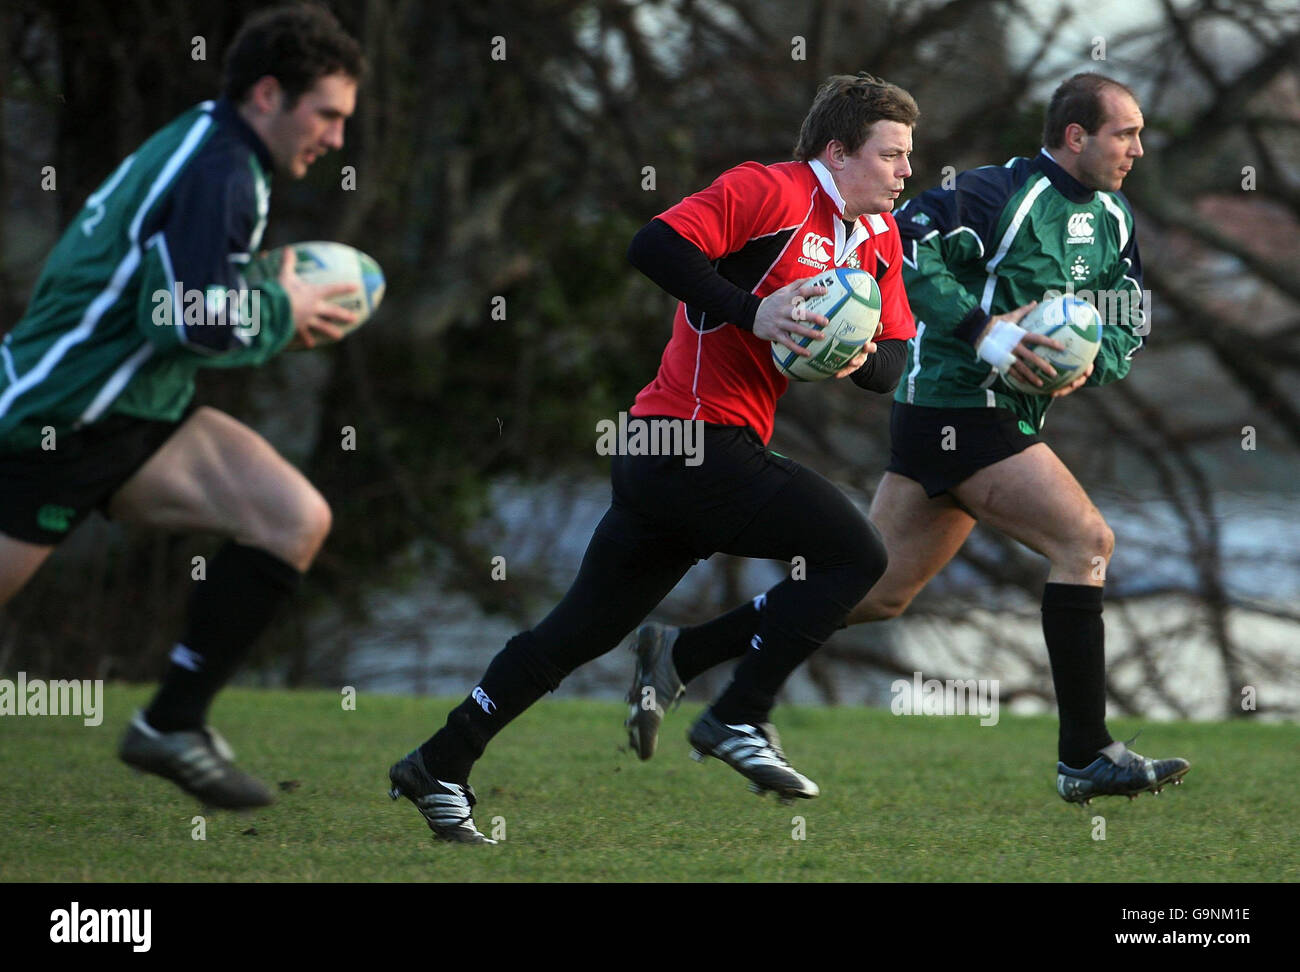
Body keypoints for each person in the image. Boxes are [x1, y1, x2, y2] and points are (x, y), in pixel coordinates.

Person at [628, 72, 1190, 807]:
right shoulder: (997, 194)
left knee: (876, 591)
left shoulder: (1114, 220)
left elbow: (1124, 320)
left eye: (1141, 134)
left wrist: (1086, 362)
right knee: (1085, 542)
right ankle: (1085, 754)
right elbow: (909, 244)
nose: (1138, 150)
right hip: (954, 407)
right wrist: (983, 333)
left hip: (998, 417)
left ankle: (691, 657)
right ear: (1076, 136)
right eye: (1125, 134)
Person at [389, 73, 919, 843]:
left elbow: (894, 361)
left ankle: (438, 763)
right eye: (893, 154)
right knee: (856, 554)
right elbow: (654, 243)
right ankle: (732, 710)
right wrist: (753, 310)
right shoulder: (769, 191)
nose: (907, 171)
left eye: (910, 157)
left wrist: (853, 352)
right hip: (682, 443)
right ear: (837, 153)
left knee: (573, 636)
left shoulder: (881, 239)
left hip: (694, 455)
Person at [0, 5, 365, 808]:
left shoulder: (222, 148)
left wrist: (264, 287)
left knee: (290, 516)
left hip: (139, 411)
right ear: (269, 94)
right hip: (60, 420)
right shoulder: (220, 172)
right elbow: (185, 319)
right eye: (327, 114)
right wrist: (281, 310)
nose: (337, 138)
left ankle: (172, 724)